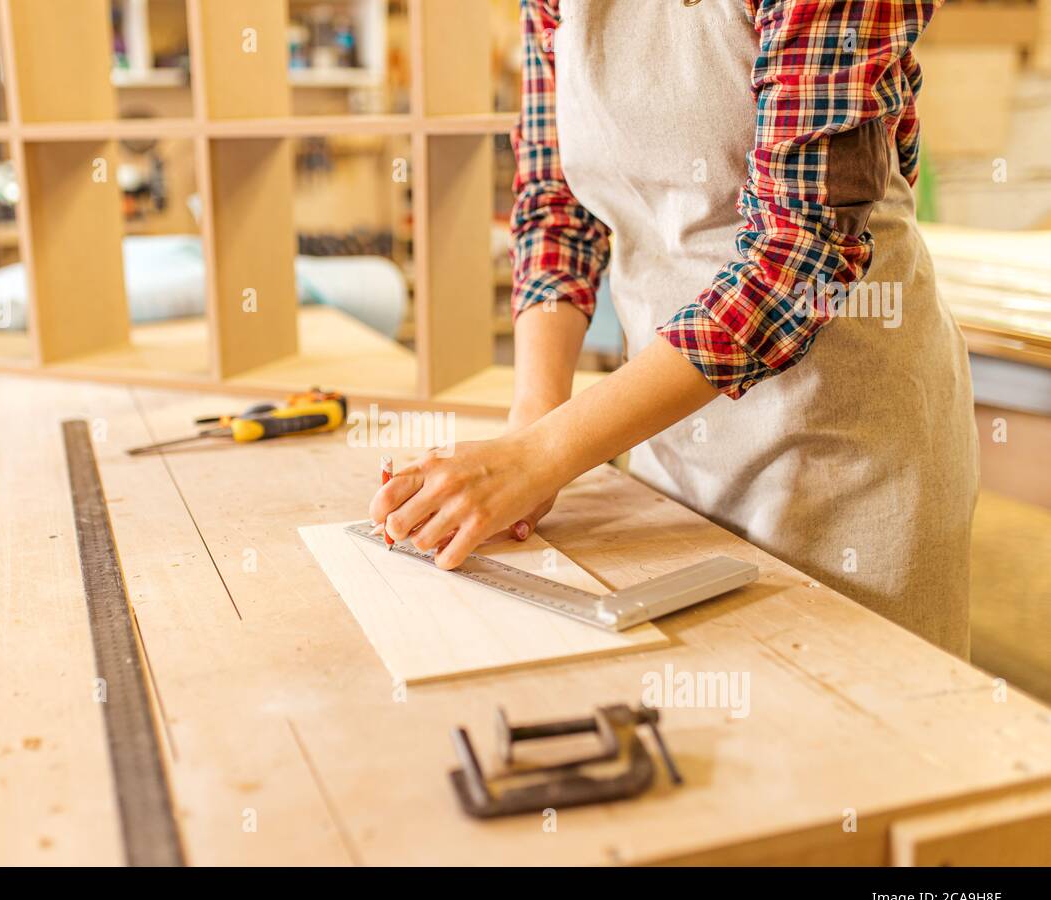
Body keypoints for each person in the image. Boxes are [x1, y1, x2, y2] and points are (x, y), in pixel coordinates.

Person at [370, 0, 978, 657]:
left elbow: (797, 257)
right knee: (696, 726)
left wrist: (544, 455)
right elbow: (556, 206)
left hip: (842, 450)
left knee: (848, 731)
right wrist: (532, 428)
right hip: (668, 429)